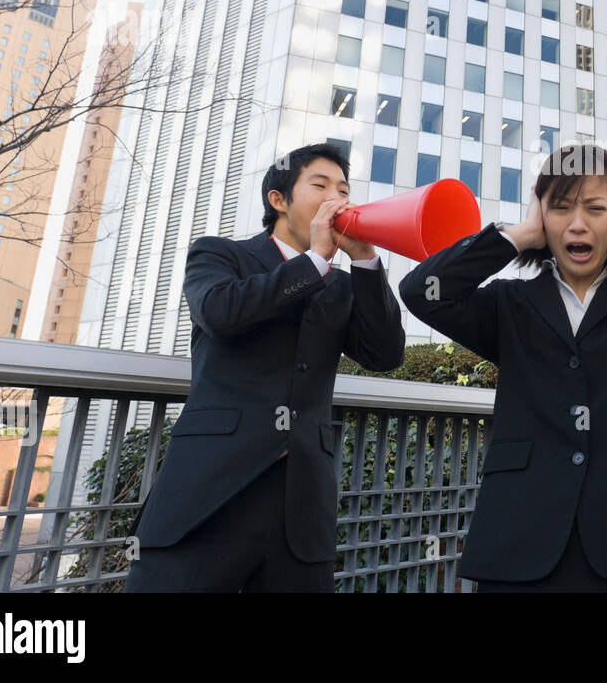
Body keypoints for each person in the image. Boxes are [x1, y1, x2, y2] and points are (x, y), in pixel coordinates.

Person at [400, 144, 607, 591]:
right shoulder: (509, 305)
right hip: (523, 541)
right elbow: (422, 291)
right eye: (560, 208)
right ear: (541, 214)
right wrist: (517, 235)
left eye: (597, 208)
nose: (578, 224)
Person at [125, 143, 406, 592]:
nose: (338, 197)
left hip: (301, 506)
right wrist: (313, 260)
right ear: (279, 200)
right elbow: (221, 313)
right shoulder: (219, 255)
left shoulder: (345, 285)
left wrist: (367, 260)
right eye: (320, 185)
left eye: (344, 189)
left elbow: (385, 354)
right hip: (208, 495)